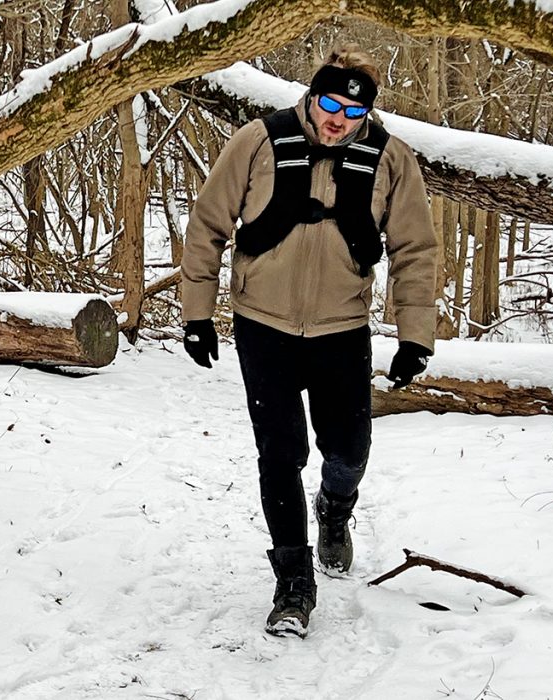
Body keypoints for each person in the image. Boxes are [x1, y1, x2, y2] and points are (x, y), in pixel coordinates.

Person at [179, 44, 439, 638]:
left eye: (352, 111)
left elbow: (415, 252)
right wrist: (197, 313)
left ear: (366, 115)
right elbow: (209, 226)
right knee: (280, 453)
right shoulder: (257, 141)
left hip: (341, 330)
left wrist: (414, 336)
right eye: (328, 102)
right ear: (311, 95)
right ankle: (293, 583)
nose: (336, 119)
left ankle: (335, 508)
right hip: (262, 325)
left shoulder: (390, 160)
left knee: (347, 451)